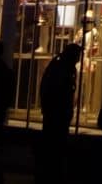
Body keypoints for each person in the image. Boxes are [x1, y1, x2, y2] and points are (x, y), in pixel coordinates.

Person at [38, 41, 82, 183]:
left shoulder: (61, 66)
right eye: (77, 55)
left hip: (58, 113)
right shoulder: (61, 68)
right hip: (56, 114)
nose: (79, 58)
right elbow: (55, 90)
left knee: (54, 146)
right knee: (54, 146)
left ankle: (50, 173)